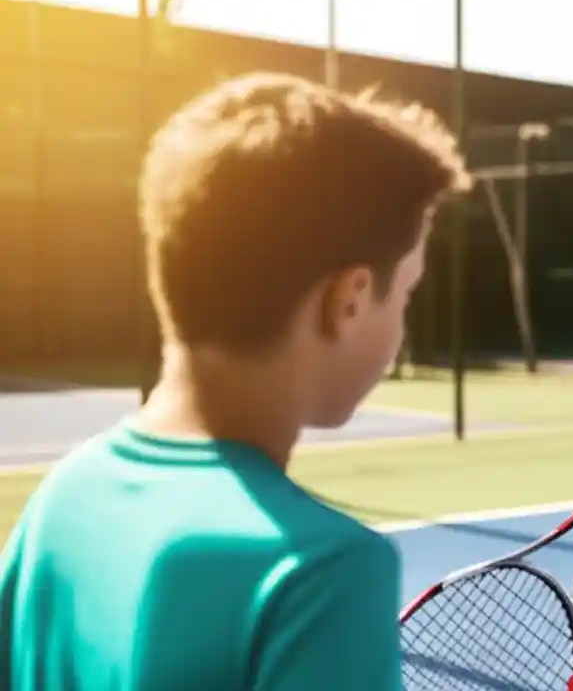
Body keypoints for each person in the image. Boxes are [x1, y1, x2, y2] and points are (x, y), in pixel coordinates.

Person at [0, 72, 468, 689]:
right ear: (349, 300)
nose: (401, 318)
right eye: (405, 294)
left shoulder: (64, 498)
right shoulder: (323, 572)